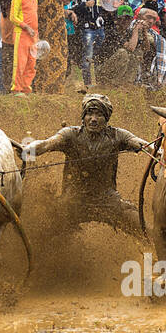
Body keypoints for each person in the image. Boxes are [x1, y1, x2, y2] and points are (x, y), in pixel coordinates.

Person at [21, 93, 152, 237]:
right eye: (90, 114)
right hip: (73, 200)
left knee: (143, 229)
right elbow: (46, 144)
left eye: (99, 115)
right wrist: (28, 150)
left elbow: (144, 145)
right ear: (83, 117)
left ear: (106, 118)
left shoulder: (117, 136)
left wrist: (159, 152)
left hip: (107, 199)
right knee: (43, 234)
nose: (93, 119)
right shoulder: (70, 135)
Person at [10, 0, 40, 93]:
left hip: (33, 35)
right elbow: (13, 17)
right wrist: (26, 27)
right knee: (20, 62)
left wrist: (36, 34)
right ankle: (16, 88)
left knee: (31, 62)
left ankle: (26, 87)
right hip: (21, 34)